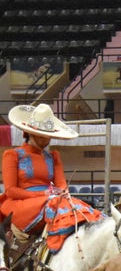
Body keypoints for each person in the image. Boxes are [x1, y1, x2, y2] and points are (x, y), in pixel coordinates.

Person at [2, 103, 102, 253]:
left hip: (51, 198)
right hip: (22, 203)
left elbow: (61, 183)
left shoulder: (53, 156)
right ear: (31, 133)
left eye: (49, 135)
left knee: (77, 206)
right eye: (44, 135)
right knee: (54, 203)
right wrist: (42, 195)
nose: (48, 139)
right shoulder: (13, 155)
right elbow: (10, 191)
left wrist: (63, 193)